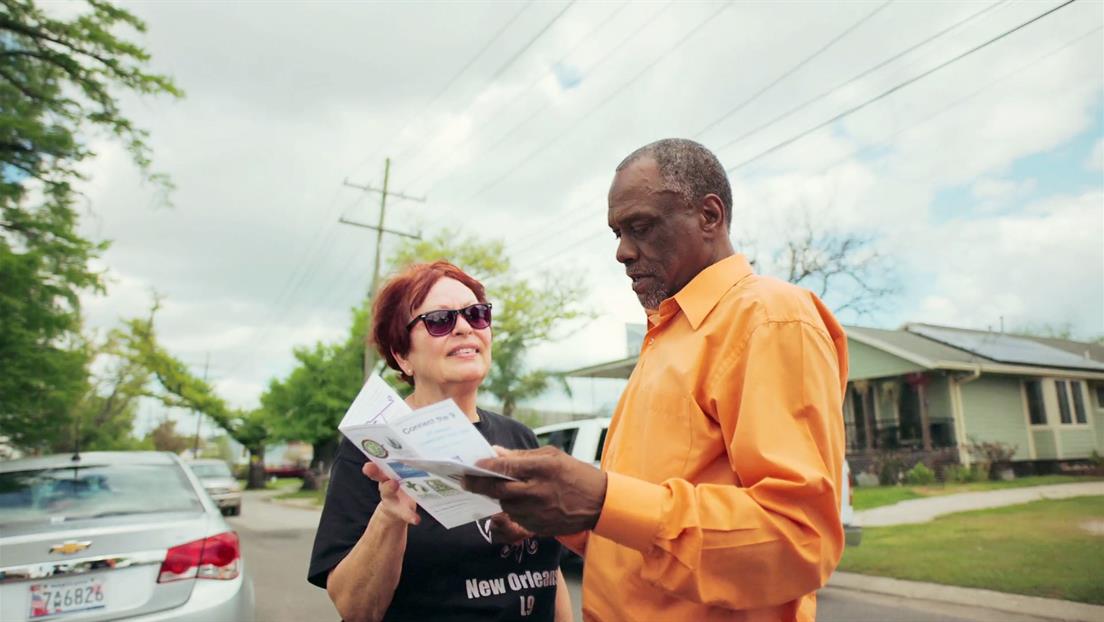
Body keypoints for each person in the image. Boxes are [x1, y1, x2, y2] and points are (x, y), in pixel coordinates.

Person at [464, 139, 848, 622]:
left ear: (710, 216)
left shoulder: (769, 318)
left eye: (640, 227)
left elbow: (799, 540)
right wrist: (560, 516)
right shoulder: (667, 335)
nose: (623, 253)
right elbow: (639, 531)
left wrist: (603, 499)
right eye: (617, 234)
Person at [308, 260, 573, 622]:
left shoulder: (519, 437)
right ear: (402, 355)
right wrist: (390, 516)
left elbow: (549, 571)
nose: (465, 327)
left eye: (477, 314)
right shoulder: (372, 450)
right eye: (439, 320)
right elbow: (356, 610)